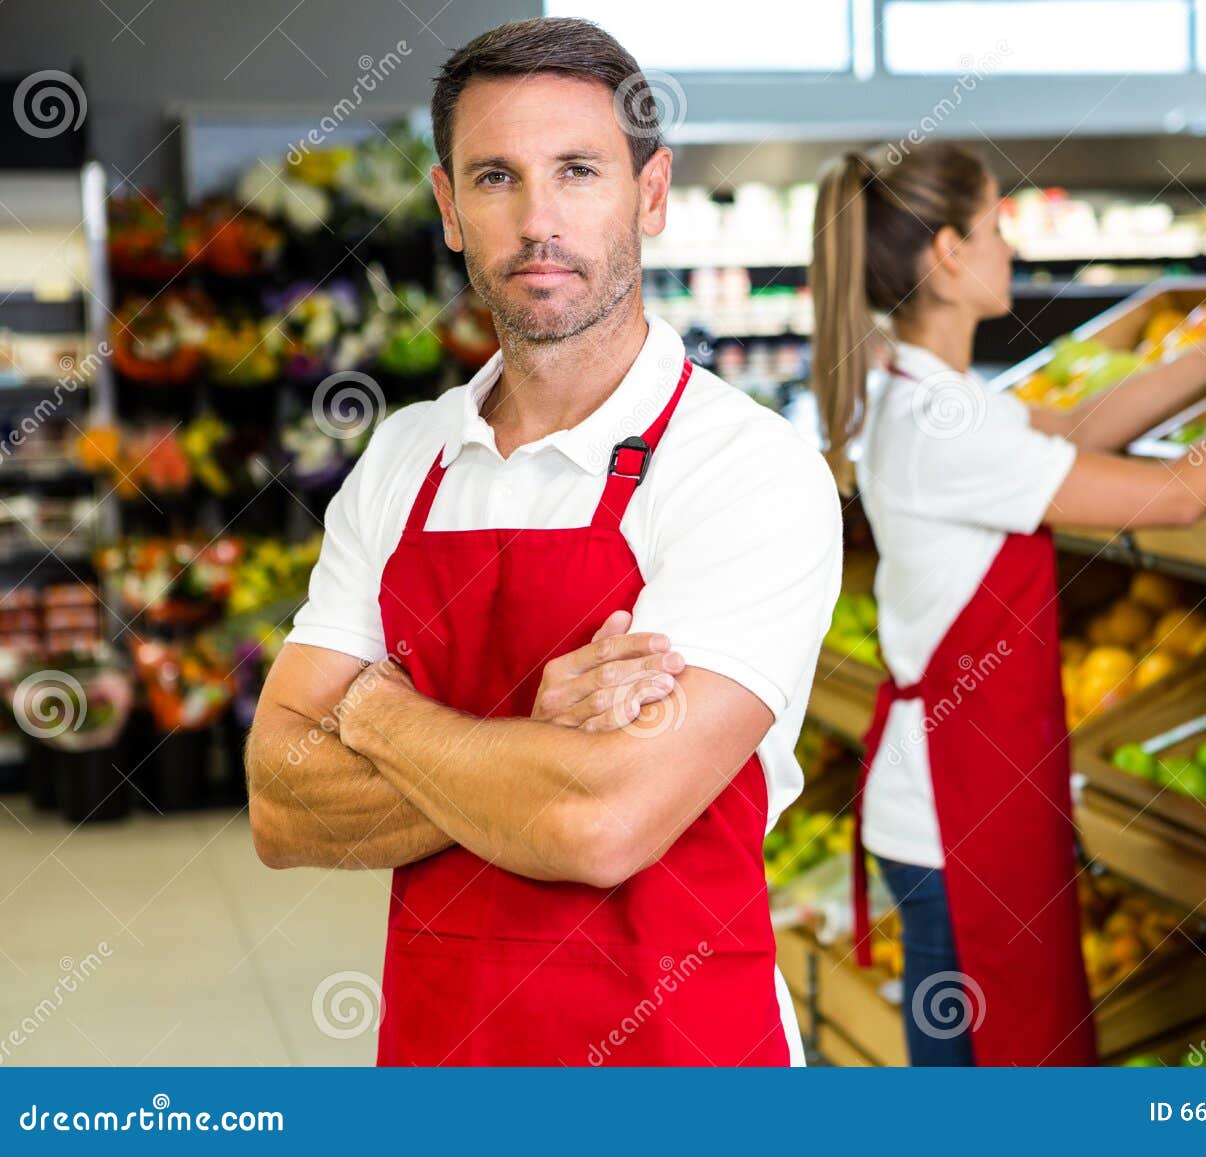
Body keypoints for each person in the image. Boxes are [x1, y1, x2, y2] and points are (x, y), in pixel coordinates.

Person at [245, 17, 842, 1067]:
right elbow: (281, 803)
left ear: (650, 193)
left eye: (577, 170)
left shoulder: (744, 466)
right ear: (449, 209)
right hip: (443, 1058)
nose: (538, 221)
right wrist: (533, 738)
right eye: (496, 177)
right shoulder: (405, 457)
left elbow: (600, 823)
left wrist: (377, 711)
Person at [808, 141, 1206, 1067]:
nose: (1012, 247)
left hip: (966, 788)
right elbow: (1177, 497)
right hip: (958, 809)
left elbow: (1077, 427)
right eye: (996, 226)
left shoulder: (926, 394)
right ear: (948, 253)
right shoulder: (943, 429)